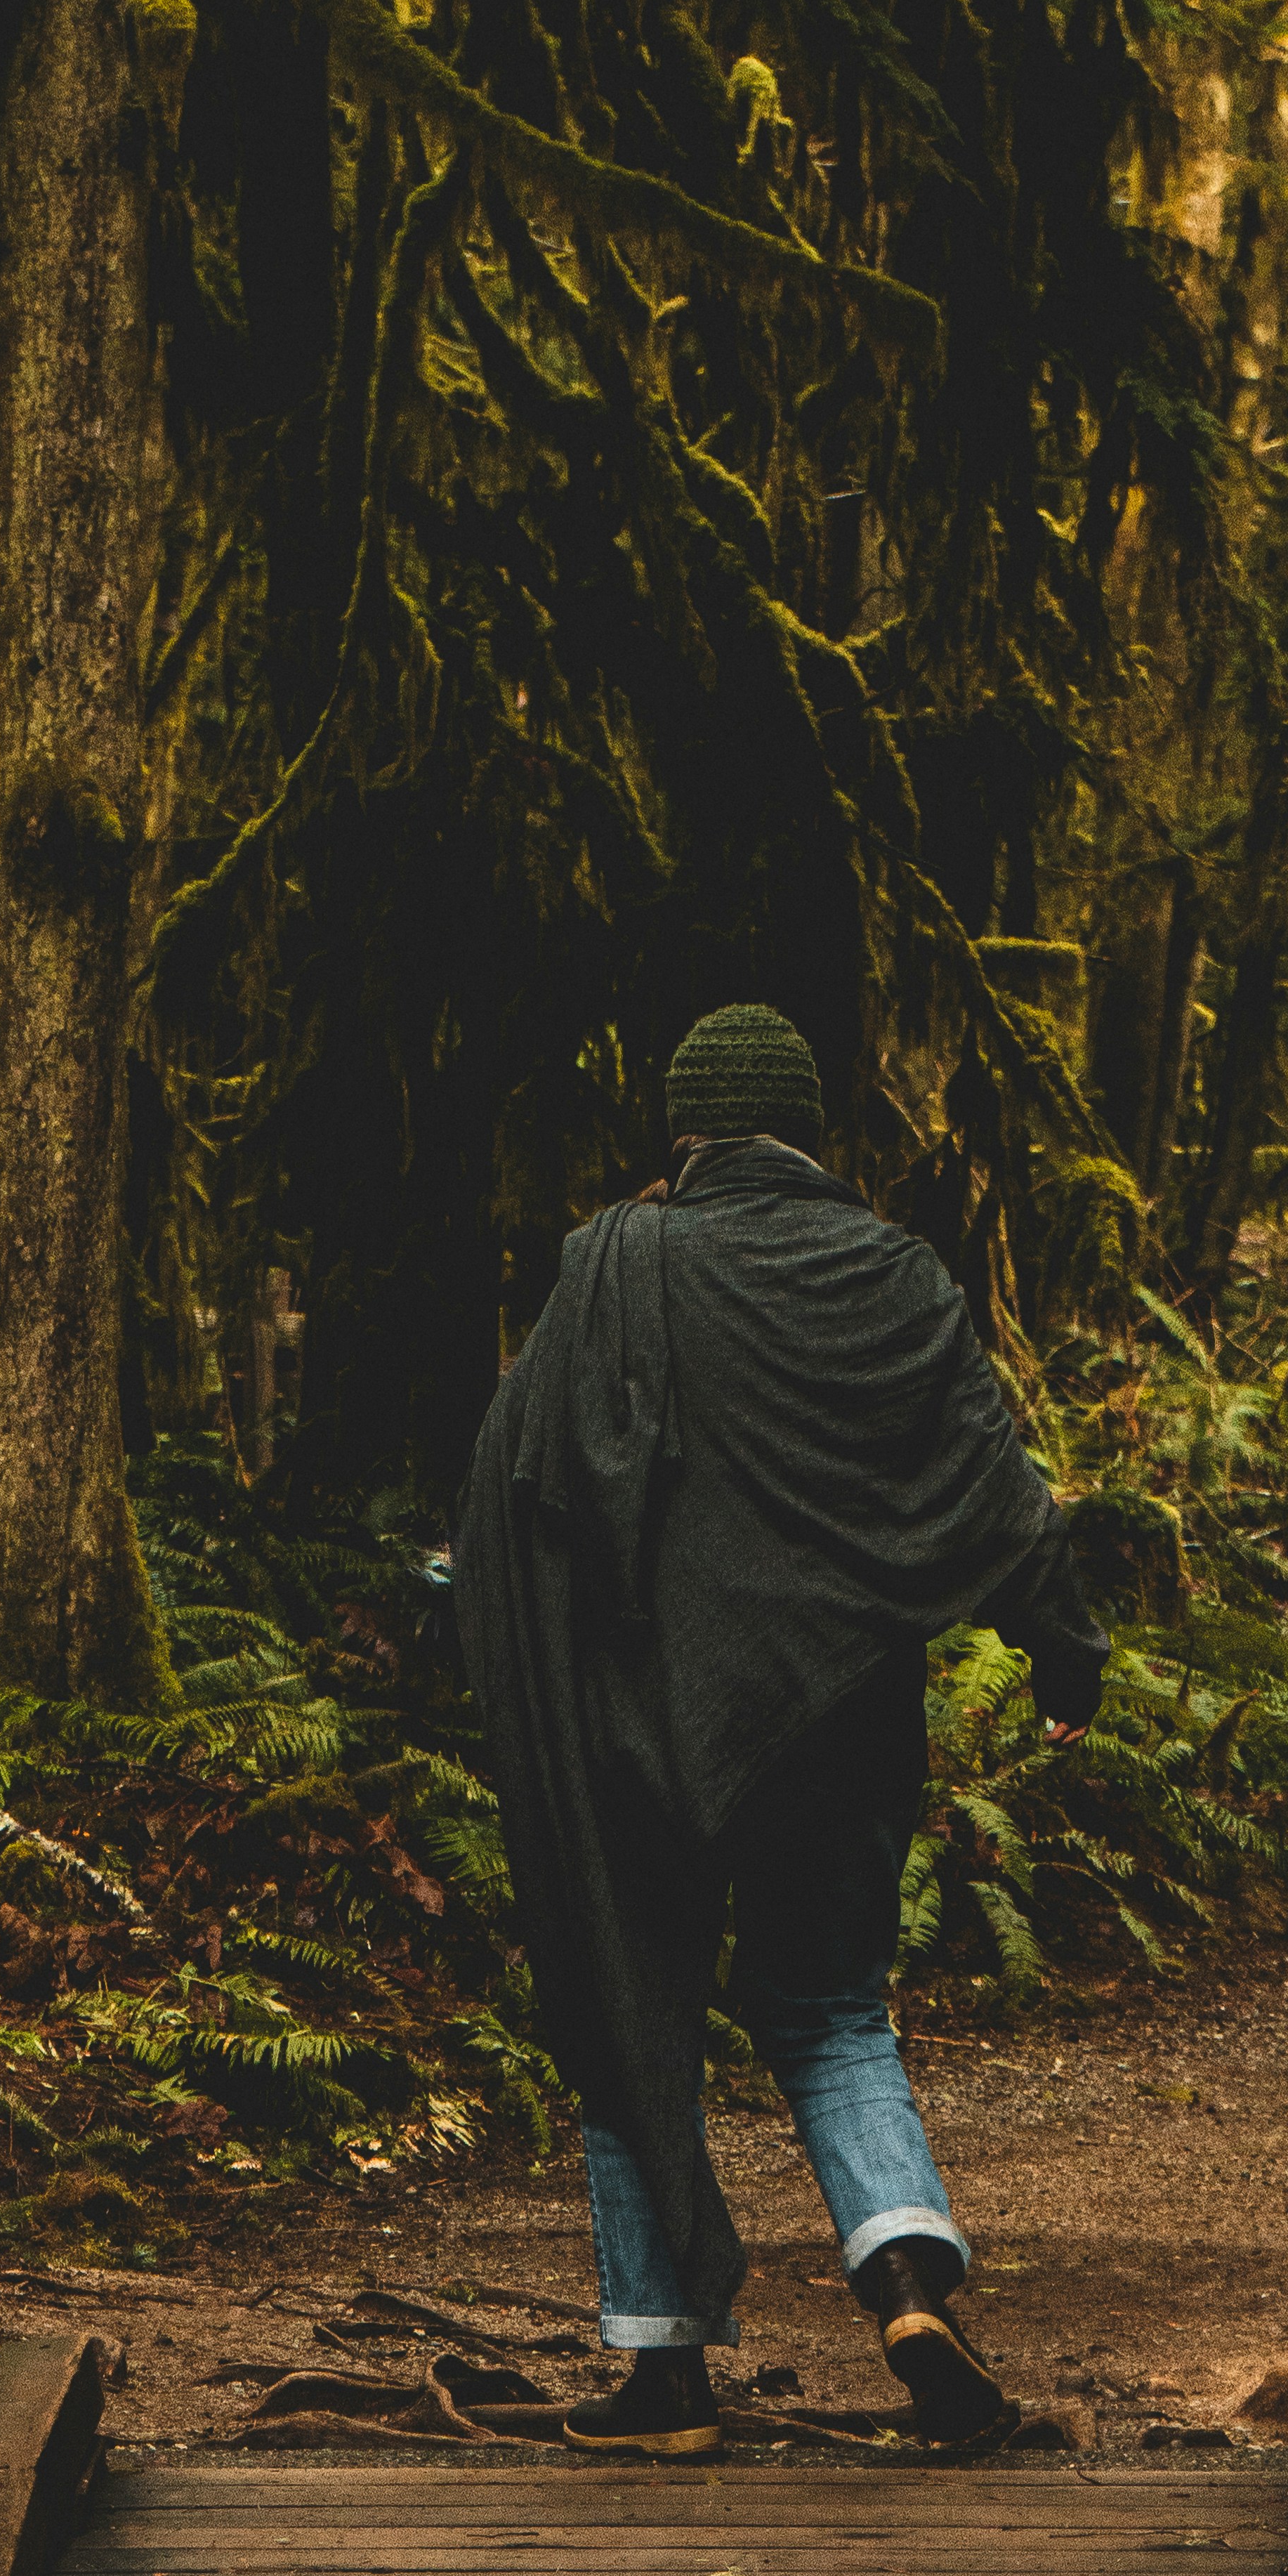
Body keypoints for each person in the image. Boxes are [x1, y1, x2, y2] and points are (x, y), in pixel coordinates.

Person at [454, 1000, 1108, 2461]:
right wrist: (1065, 1661)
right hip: (840, 1722)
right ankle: (905, 2279)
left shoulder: (614, 1264)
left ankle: (664, 2377)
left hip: (641, 1726)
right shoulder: (894, 1272)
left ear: (680, 1131)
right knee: (827, 2010)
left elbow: (516, 1478)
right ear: (808, 1133)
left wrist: (513, 1672)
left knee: (639, 2020)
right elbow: (998, 1492)